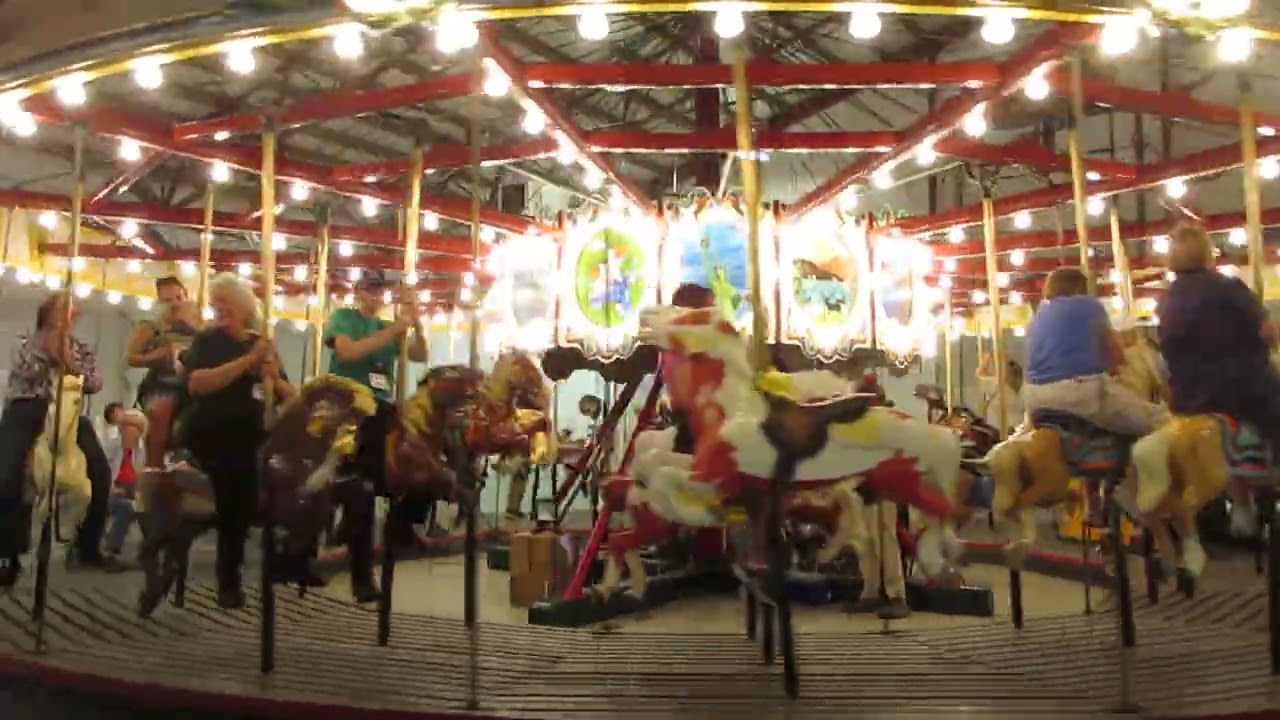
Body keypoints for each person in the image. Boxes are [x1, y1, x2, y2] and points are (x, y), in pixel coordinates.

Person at [181, 273, 295, 608]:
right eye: (216, 304)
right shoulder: (209, 341)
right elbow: (197, 384)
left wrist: (273, 375)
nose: (220, 310)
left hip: (257, 433)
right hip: (216, 429)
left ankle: (296, 550)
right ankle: (228, 576)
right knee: (237, 470)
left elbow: (292, 396)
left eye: (226, 304)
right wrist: (248, 362)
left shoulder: (262, 344)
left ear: (245, 308)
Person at [0, 291, 118, 587]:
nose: (68, 316)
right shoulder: (27, 342)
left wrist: (70, 363)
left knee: (99, 470)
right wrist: (52, 355)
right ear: (48, 313)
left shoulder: (80, 347)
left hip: (67, 410)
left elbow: (94, 381)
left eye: (72, 312)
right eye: (62, 311)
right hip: (28, 406)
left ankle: (88, 544)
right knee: (9, 469)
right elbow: (24, 373)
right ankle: (7, 550)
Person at [324, 271, 427, 603]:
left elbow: (419, 355)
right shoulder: (344, 318)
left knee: (421, 453)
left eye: (380, 289)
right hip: (350, 405)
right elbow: (348, 353)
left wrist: (416, 320)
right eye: (370, 289)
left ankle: (406, 521)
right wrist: (396, 329)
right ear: (358, 291)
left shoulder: (387, 326)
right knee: (363, 491)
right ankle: (361, 572)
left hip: (381, 407)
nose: (376, 295)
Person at [1160, 223, 1280, 443]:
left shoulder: (1167, 300)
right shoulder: (1228, 287)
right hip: (1239, 392)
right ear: (1206, 252)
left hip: (1188, 399)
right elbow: (1268, 332)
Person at [1022, 267, 1168, 436]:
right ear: (1080, 288)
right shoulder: (1090, 306)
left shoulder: (1036, 318)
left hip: (1033, 400)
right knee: (1155, 420)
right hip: (1079, 393)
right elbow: (1116, 355)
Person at [127, 276, 199, 478]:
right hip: (162, 382)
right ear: (160, 301)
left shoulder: (199, 325)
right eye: (168, 300)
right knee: (162, 409)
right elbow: (132, 358)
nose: (175, 303)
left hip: (188, 384)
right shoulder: (152, 326)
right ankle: (154, 465)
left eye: (178, 297)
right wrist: (156, 356)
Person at [101, 402, 147, 560]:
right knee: (126, 507)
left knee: (144, 508)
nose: (129, 435)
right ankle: (112, 550)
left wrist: (140, 492)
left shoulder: (144, 451)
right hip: (114, 491)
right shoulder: (112, 447)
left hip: (137, 491)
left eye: (133, 431)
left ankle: (150, 551)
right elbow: (102, 473)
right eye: (126, 431)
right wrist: (111, 488)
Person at [977, 356, 1025, 435]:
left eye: (1013, 373)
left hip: (1017, 430)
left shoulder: (1023, 390)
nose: (1010, 376)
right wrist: (988, 356)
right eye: (1007, 372)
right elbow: (980, 374)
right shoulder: (997, 386)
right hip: (996, 430)